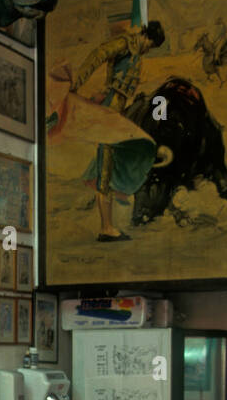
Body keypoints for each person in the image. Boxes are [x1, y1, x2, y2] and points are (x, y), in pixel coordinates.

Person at [70, 20, 166, 241]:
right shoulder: (124, 43)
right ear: (147, 37)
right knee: (105, 169)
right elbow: (98, 54)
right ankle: (106, 228)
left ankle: (108, 225)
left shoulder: (135, 51)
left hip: (116, 113)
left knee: (111, 166)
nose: (148, 50)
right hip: (109, 113)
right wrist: (77, 83)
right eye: (150, 45)